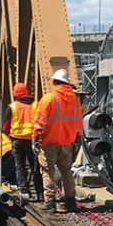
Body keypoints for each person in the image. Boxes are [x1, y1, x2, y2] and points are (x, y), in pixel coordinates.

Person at [32, 68, 83, 213]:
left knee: (48, 172)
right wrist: (77, 136)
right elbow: (78, 121)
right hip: (67, 142)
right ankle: (70, 202)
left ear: (55, 81)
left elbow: (40, 121)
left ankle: (50, 203)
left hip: (48, 142)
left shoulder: (49, 98)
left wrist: (35, 137)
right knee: (67, 171)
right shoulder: (75, 99)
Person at [2, 82, 43, 199]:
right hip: (33, 140)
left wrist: (9, 135)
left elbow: (4, 127)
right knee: (35, 167)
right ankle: (40, 193)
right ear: (27, 92)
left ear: (15, 94)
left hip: (17, 140)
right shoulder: (36, 105)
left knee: (19, 166)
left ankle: (25, 191)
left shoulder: (12, 107)